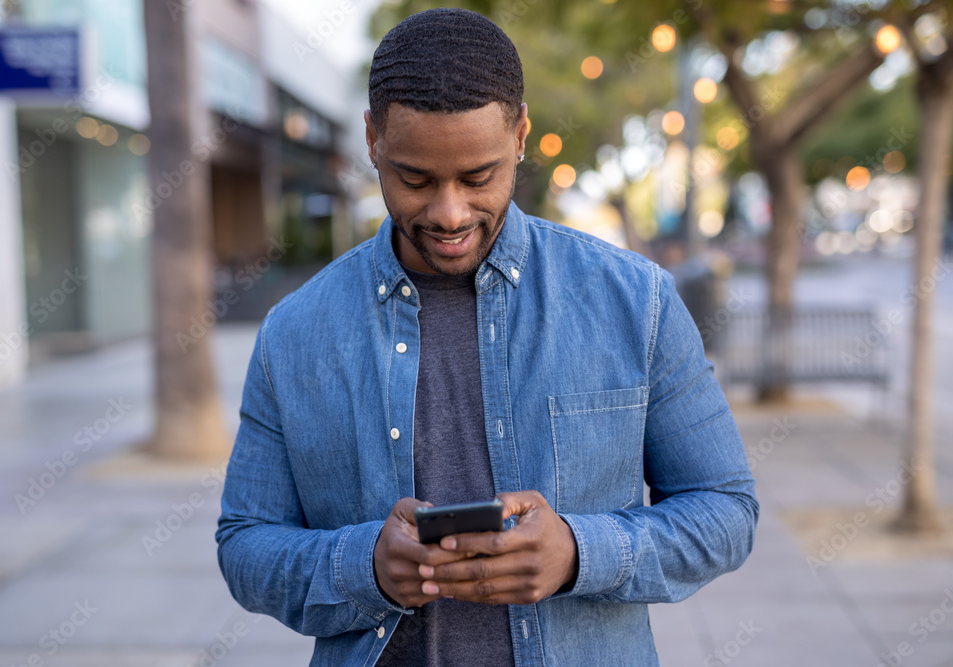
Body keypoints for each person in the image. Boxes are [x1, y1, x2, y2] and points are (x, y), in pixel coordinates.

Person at [216, 8, 759, 666]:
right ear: (372, 140)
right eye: (416, 179)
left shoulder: (635, 301)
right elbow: (245, 545)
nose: (449, 212)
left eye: (479, 177)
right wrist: (364, 566)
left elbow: (726, 509)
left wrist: (578, 552)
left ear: (522, 133)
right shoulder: (295, 332)